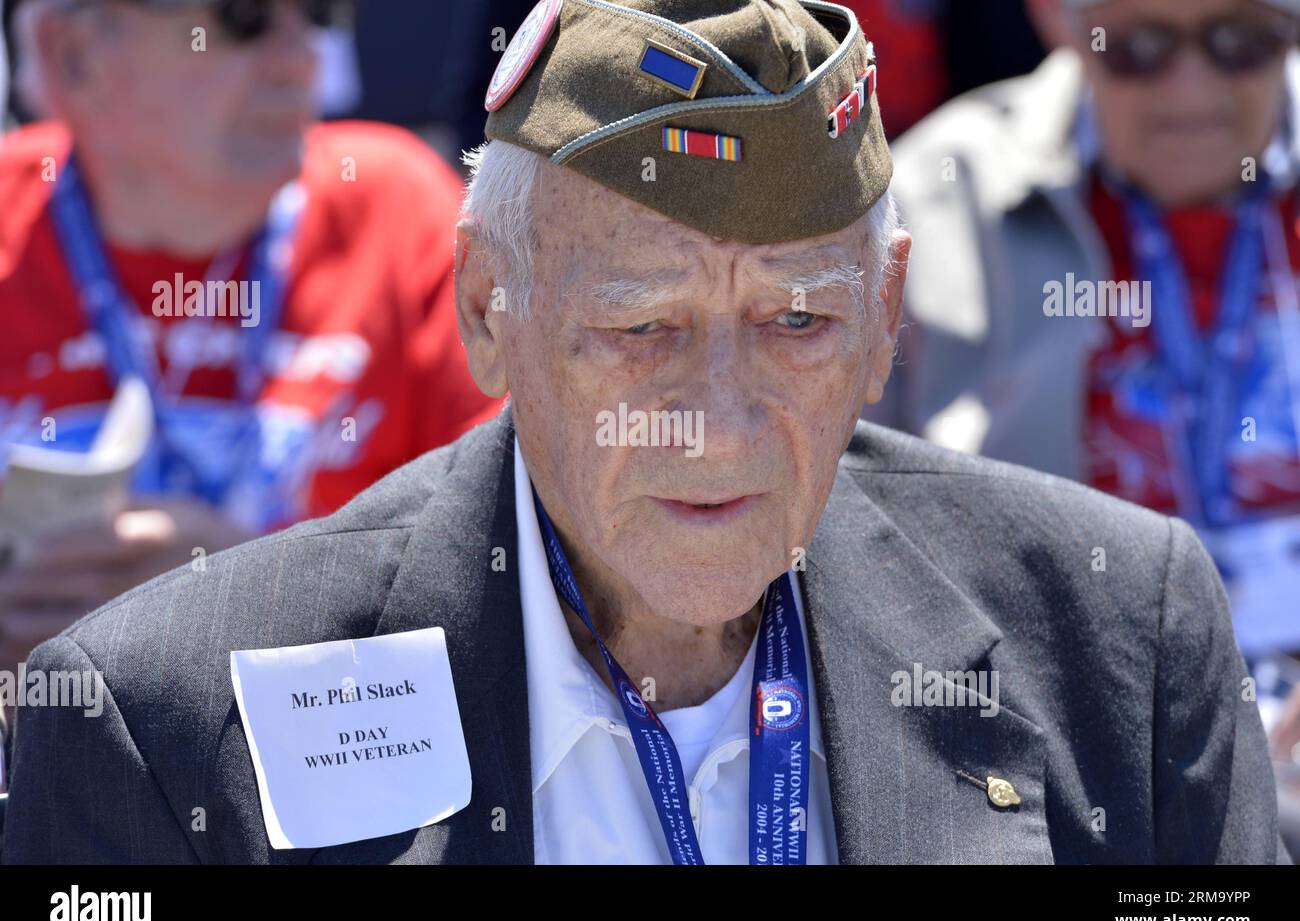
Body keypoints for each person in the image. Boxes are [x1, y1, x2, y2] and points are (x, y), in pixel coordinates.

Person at [1, 0, 1287, 864]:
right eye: (640, 328)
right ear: (486, 311)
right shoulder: (159, 728)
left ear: (887, 313)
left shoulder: (1129, 640)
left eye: (798, 323)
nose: (718, 426)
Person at [871, 0, 1300, 857]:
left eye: (1241, 41)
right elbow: (845, 534)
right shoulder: (929, 197)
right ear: (1061, 20)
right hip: (1062, 761)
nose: (1192, 86)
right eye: (1139, 47)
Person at [0, 0, 503, 678]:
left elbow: (518, 572)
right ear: (73, 55)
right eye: (242, 18)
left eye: (319, 16)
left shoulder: (405, 217)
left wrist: (248, 597)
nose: (305, 62)